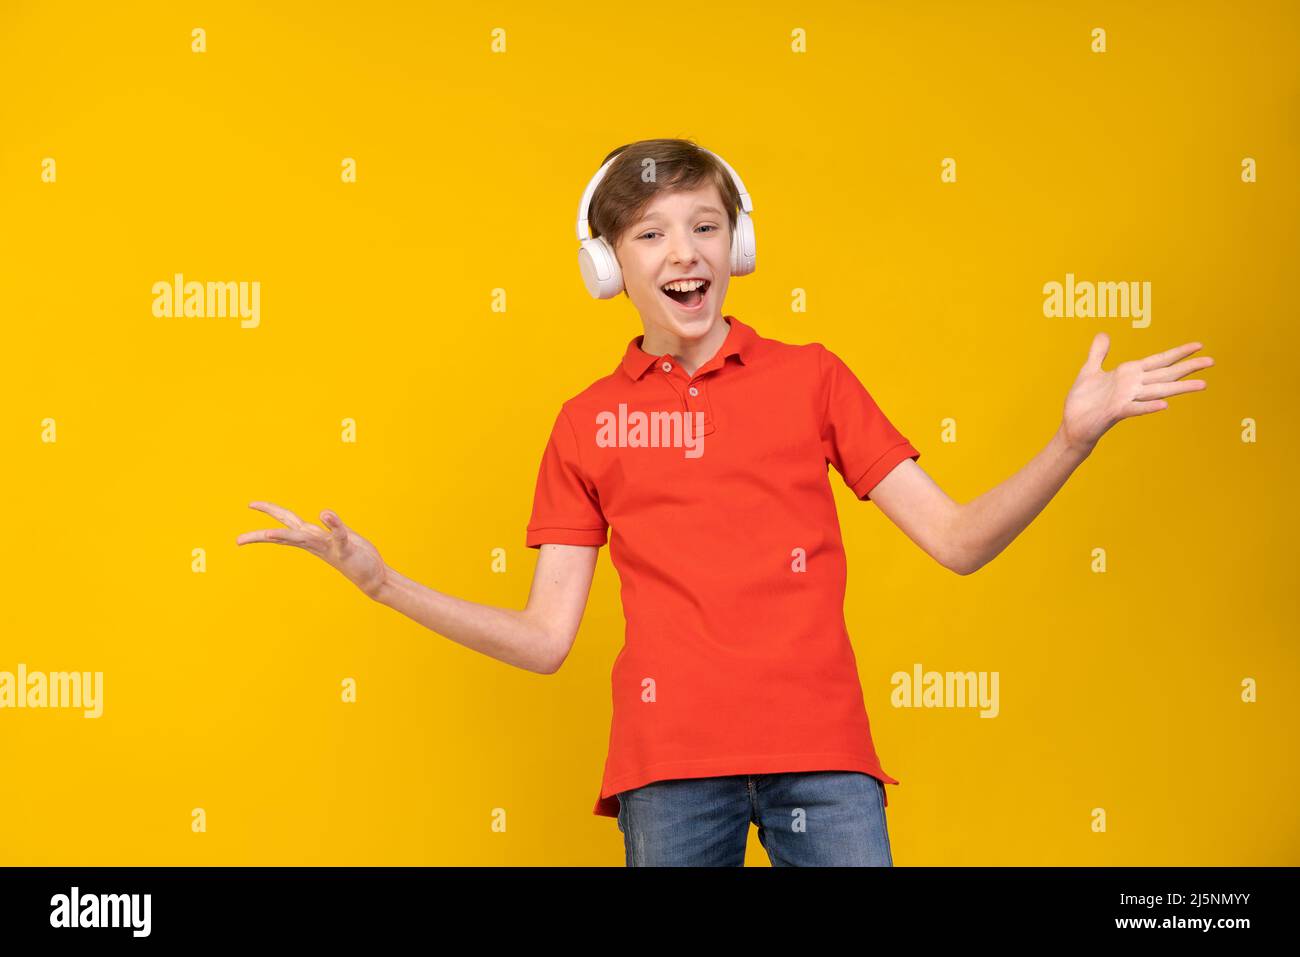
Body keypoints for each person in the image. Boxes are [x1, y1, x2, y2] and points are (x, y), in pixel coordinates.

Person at [237, 138, 1214, 866]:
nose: (683, 251)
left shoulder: (813, 379)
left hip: (823, 762)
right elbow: (545, 641)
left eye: (704, 225)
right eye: (652, 233)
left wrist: (1071, 441)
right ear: (608, 264)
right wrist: (382, 584)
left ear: (734, 244)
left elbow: (956, 541)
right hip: (668, 770)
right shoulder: (585, 425)